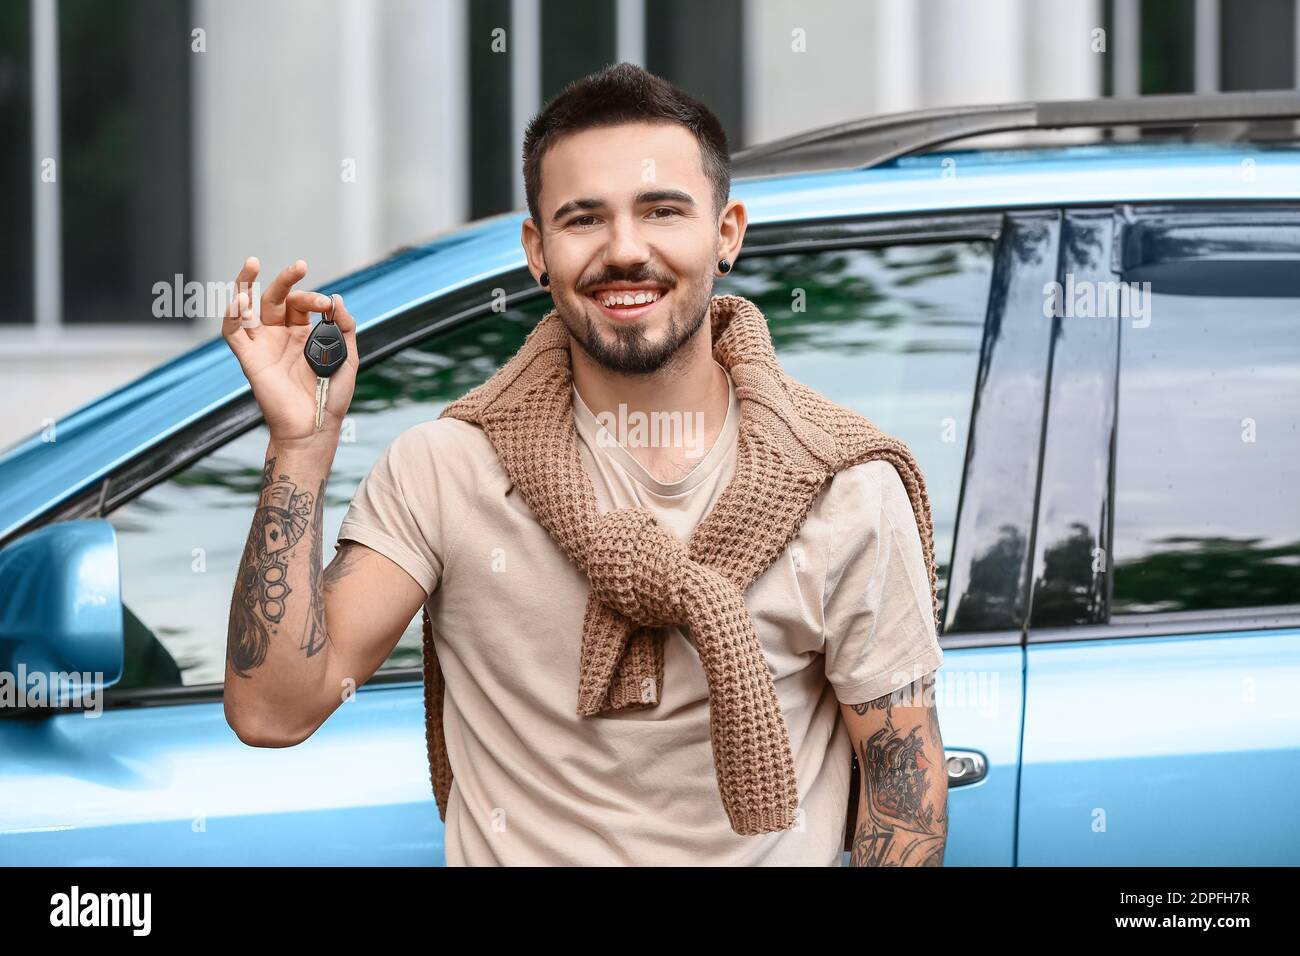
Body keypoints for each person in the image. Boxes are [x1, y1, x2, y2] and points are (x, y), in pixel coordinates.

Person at [220, 62, 947, 867]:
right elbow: (274, 712)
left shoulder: (843, 484)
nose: (624, 250)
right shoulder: (446, 471)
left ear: (727, 232)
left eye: (662, 210)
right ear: (537, 250)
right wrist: (301, 446)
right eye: (583, 219)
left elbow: (900, 791)